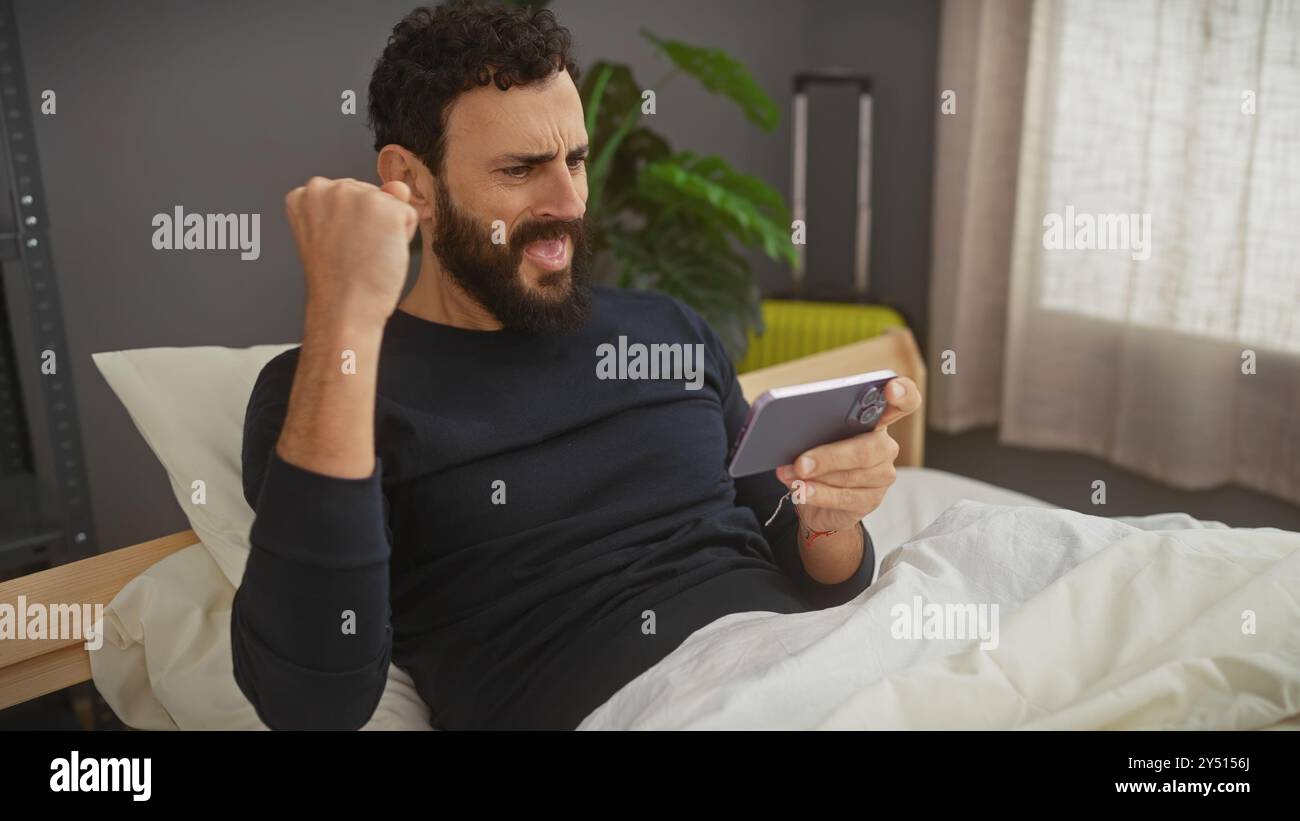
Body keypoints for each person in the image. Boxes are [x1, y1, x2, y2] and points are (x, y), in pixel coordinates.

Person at [231, 0, 921, 730]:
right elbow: (310, 703)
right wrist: (343, 312)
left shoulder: (668, 329)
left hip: (816, 665)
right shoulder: (330, 392)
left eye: (576, 160)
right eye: (521, 168)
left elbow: (820, 575)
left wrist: (830, 519)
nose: (567, 202)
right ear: (413, 180)